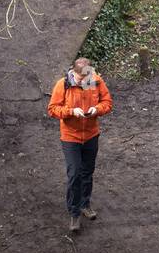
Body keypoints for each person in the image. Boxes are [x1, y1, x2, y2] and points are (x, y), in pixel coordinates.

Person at [47, 57, 113, 234]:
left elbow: (107, 102)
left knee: (87, 172)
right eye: (81, 79)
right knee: (74, 174)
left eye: (87, 78)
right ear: (73, 72)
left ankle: (85, 204)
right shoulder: (63, 84)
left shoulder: (95, 81)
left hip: (91, 135)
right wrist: (70, 112)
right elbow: (52, 109)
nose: (84, 82)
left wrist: (96, 110)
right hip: (71, 137)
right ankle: (74, 212)